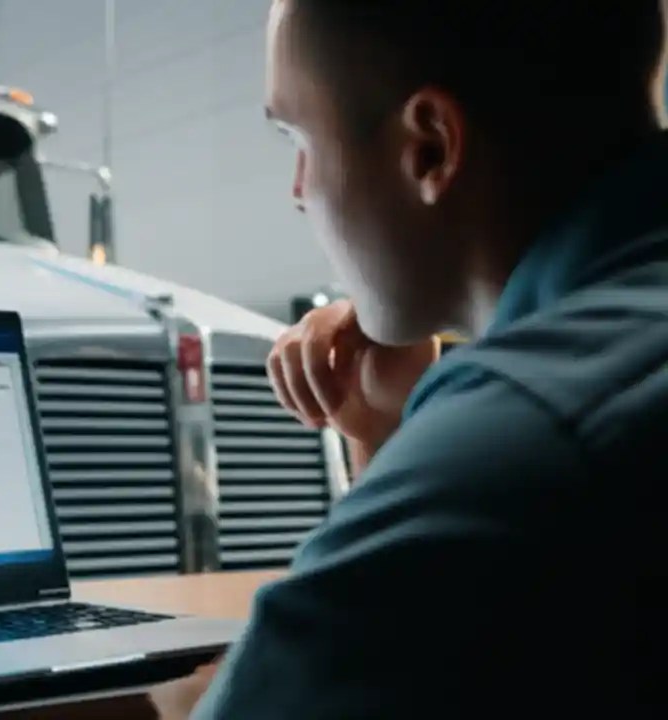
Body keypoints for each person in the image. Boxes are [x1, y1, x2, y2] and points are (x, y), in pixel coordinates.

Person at [153, 0, 668, 717]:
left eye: (299, 137)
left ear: (429, 148)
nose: (297, 192)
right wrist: (386, 439)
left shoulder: (520, 436)